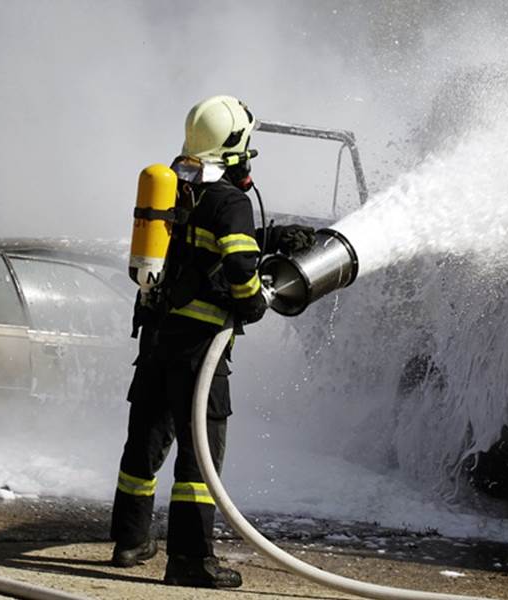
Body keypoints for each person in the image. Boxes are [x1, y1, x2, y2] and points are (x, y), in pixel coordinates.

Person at [109, 95, 314, 588]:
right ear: (235, 146)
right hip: (201, 353)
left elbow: (198, 244)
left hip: (158, 341)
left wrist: (273, 235)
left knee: (144, 446)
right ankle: (190, 561)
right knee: (200, 461)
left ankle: (131, 541)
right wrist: (252, 304)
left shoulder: (176, 188)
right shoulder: (231, 200)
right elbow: (239, 267)